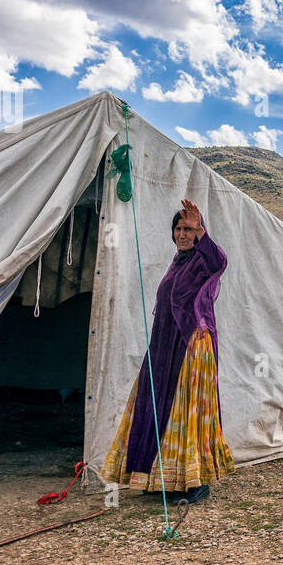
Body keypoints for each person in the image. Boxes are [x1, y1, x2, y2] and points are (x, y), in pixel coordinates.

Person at [101, 198, 234, 502]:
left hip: (191, 346)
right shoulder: (178, 263)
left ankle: (195, 481)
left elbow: (220, 262)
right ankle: (159, 475)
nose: (183, 234)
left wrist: (202, 231)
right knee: (155, 404)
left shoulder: (203, 261)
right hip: (164, 346)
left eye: (188, 229)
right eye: (178, 228)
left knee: (185, 412)